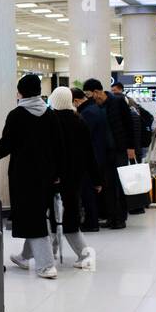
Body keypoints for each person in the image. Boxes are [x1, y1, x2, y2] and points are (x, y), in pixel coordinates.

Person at [0, 74, 62, 279]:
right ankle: (24, 256)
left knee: (33, 217)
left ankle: (46, 265)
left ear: (20, 92)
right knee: (37, 213)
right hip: (47, 175)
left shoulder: (17, 115)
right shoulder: (50, 114)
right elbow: (59, 147)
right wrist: (57, 173)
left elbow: (7, 143)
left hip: (23, 175)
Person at [48, 87, 100, 270]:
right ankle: (58, 252)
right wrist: (97, 179)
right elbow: (89, 154)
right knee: (70, 213)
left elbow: (51, 153)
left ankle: (55, 253)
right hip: (75, 178)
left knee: (52, 214)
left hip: (54, 178)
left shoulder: (50, 122)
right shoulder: (79, 121)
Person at [83, 78, 135, 229]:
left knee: (119, 184)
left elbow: (129, 125)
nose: (89, 98)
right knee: (107, 185)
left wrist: (131, 148)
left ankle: (120, 218)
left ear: (97, 92)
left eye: (89, 94)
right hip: (104, 152)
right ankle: (111, 216)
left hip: (119, 150)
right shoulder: (96, 107)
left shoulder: (117, 102)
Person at [75, 86, 107, 232]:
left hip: (91, 156)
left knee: (88, 190)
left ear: (76, 100)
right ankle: (93, 219)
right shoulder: (95, 108)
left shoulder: (87, 113)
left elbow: (84, 138)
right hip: (99, 153)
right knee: (93, 189)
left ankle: (91, 222)